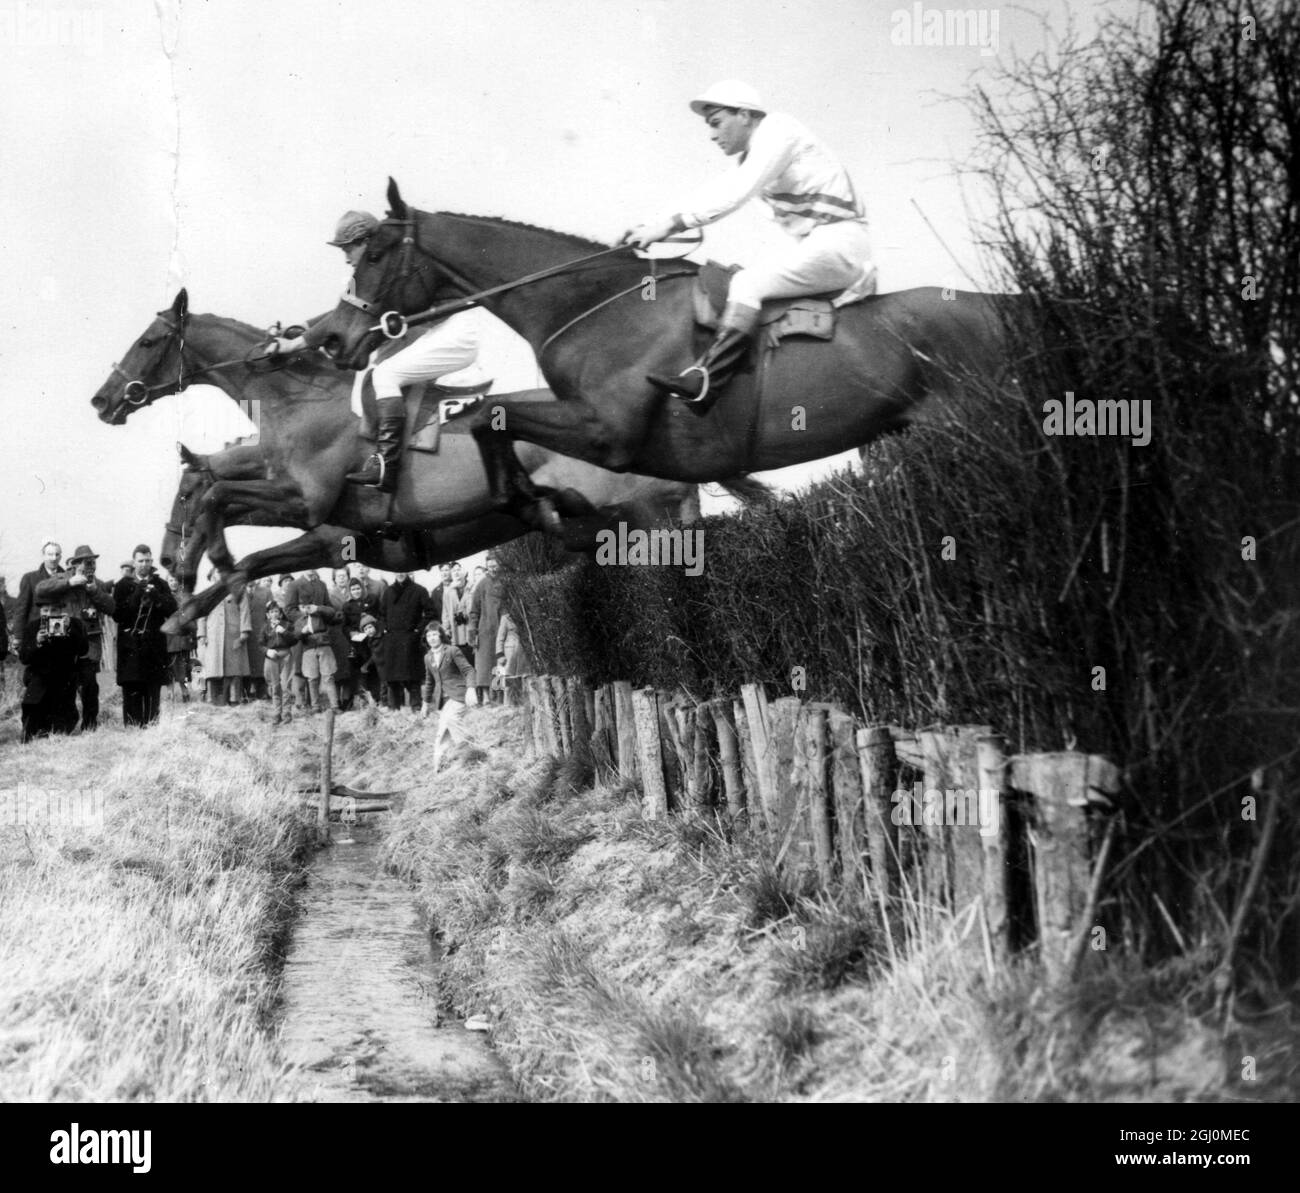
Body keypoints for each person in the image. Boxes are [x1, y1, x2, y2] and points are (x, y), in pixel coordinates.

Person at [622, 81, 875, 407]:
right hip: (818, 243)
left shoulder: (778, 130)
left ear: (744, 114)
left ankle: (706, 381)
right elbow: (712, 192)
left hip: (840, 242)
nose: (712, 135)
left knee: (746, 282)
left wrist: (669, 225)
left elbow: (735, 193)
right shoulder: (752, 156)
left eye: (716, 123)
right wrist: (652, 224)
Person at [274, 211, 492, 493]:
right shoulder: (367, 274)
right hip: (440, 331)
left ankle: (386, 465)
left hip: (455, 330)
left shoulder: (386, 268)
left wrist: (296, 344)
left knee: (386, 375)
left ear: (366, 242)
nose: (345, 256)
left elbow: (352, 316)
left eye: (348, 247)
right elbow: (345, 313)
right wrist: (302, 326)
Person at [32, 544, 115, 730]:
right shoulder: (63, 578)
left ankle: (90, 725)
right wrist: (69, 583)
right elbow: (40, 589)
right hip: (65, 644)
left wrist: (94, 591)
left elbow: (111, 607)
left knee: (89, 687)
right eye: (87, 563)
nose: (90, 567)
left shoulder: (96, 584)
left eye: (93, 563)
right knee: (65, 687)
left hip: (89, 645)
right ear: (76, 564)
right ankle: (65, 725)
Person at [113, 544, 178, 727]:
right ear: (134, 562)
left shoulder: (161, 584)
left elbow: (172, 609)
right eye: (140, 561)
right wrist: (136, 594)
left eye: (148, 560)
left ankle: (151, 733)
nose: (144, 564)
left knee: (152, 693)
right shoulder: (122, 586)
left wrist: (156, 596)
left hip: (154, 648)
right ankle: (133, 734)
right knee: (132, 693)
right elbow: (118, 615)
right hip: (130, 649)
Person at [19, 608, 87, 742]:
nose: (49, 615)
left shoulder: (74, 624)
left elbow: (83, 650)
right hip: (40, 676)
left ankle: (57, 733)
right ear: (39, 611)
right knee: (32, 709)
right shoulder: (33, 626)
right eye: (45, 610)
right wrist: (37, 642)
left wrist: (69, 630)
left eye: (54, 610)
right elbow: (24, 658)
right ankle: (33, 733)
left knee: (62, 724)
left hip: (64, 677)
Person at [421, 623, 476, 771]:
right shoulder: (428, 657)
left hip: (458, 695)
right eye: (428, 635)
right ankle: (439, 768)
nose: (432, 638)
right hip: (443, 701)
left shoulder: (452, 650)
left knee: (452, 719)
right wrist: (425, 703)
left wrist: (471, 689)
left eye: (434, 634)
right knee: (442, 733)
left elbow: (469, 670)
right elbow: (429, 681)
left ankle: (471, 751)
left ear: (440, 635)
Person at [284, 569, 341, 713]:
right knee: (302, 669)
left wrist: (318, 609)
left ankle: (323, 704)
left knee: (325, 673)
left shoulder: (321, 585)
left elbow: (330, 609)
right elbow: (289, 610)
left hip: (321, 634)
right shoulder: (294, 585)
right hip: (303, 634)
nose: (311, 569)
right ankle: (301, 703)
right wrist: (304, 620)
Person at [380, 571, 434, 711]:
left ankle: (416, 708)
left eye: (404, 570)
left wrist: (418, 630)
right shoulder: (388, 592)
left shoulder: (419, 590)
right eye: (397, 571)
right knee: (393, 679)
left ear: (410, 572)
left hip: (410, 639)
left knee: (412, 677)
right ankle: (394, 709)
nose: (400, 573)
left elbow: (431, 613)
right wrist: (385, 629)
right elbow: (381, 614)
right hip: (392, 640)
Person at [196, 577, 252, 706]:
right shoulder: (208, 591)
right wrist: (202, 634)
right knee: (212, 669)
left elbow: (245, 611)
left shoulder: (239, 589)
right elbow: (201, 614)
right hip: (213, 635)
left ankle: (234, 699)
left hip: (233, 635)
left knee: (234, 669)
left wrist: (244, 632)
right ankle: (212, 699)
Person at [467, 555, 504, 706]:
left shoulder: (506, 583)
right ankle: (486, 697)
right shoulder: (482, 584)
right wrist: (473, 631)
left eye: (495, 566)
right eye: (489, 567)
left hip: (502, 629)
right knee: (484, 665)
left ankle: (498, 696)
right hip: (485, 630)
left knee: (499, 664)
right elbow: (474, 611)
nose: (493, 569)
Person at [260, 602, 299, 726]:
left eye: (276, 611)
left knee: (285, 685)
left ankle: (286, 714)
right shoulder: (265, 628)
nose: (274, 614)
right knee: (274, 686)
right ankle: (276, 714)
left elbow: (294, 640)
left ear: (281, 614)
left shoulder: (287, 625)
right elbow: (260, 644)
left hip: (285, 656)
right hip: (272, 657)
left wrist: (284, 632)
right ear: (267, 615)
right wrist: (267, 651)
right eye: (271, 612)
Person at [164, 575, 195, 703]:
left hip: (182, 638)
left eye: (175, 580)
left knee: (183, 668)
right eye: (171, 580)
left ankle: (185, 693)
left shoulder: (185, 598)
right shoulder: (164, 597)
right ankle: (170, 695)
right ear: (167, 582)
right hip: (167, 638)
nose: (173, 583)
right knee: (168, 668)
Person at [441, 561, 475, 671]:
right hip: (456, 636)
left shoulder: (472, 588)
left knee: (473, 664)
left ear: (464, 572)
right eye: (454, 571)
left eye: (458, 570)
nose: (456, 573)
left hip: (471, 633)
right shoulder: (448, 592)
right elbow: (445, 613)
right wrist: (446, 630)